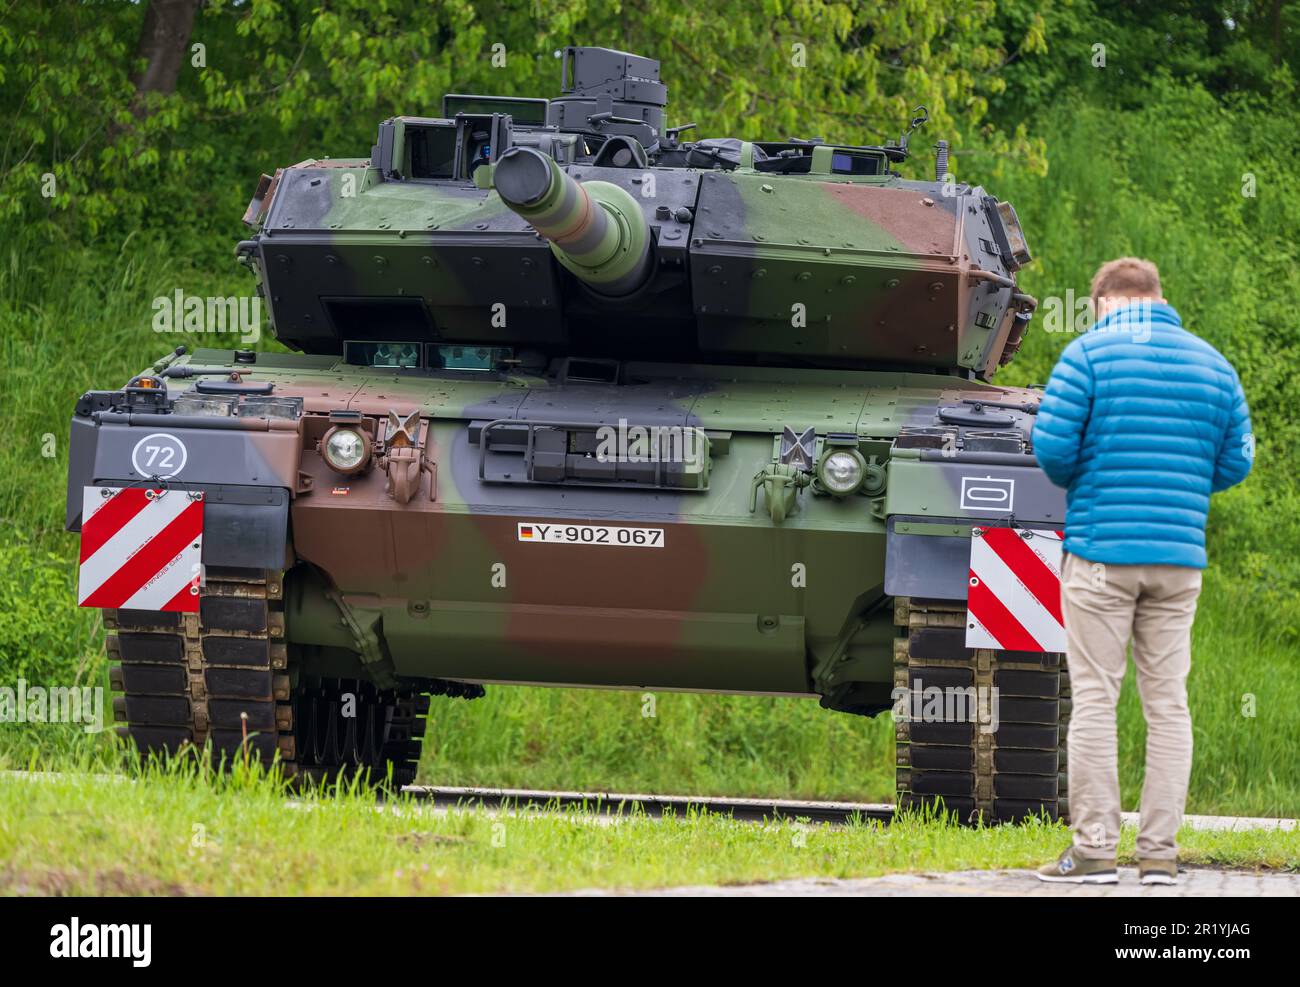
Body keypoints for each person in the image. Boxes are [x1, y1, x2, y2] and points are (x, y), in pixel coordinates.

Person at [1031, 257, 1253, 886]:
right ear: (1156, 298)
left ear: (1103, 301)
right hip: (1179, 561)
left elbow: (1051, 449)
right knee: (1168, 704)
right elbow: (1236, 460)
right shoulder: (1213, 364)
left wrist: (1093, 477)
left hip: (1102, 554)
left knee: (1097, 700)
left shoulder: (1089, 355)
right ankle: (1159, 856)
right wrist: (1182, 488)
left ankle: (1096, 851)